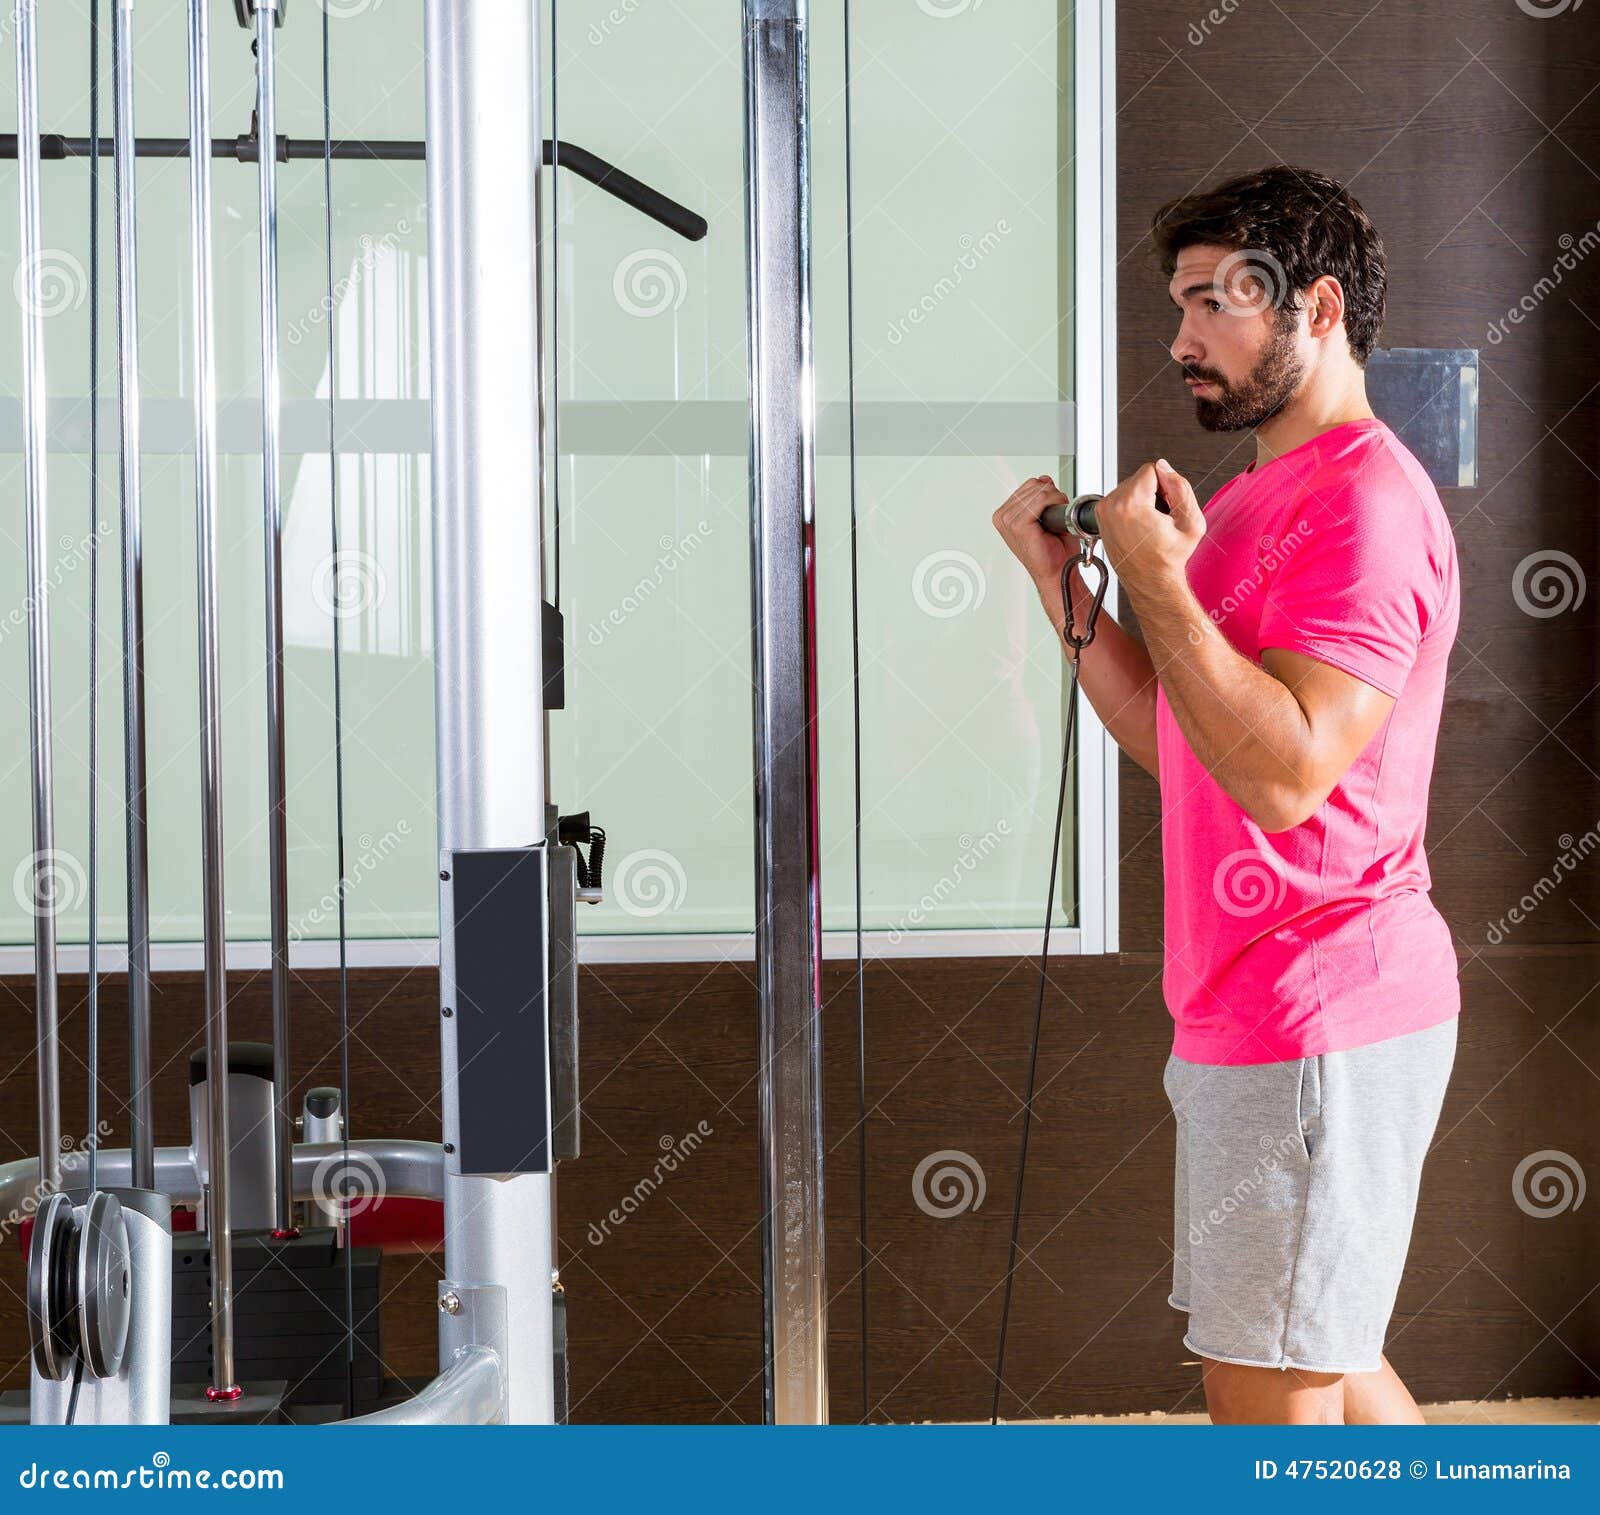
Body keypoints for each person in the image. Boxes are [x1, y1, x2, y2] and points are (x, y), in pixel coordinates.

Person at [992, 166, 1461, 1426]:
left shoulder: (1362, 505)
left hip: (1325, 1009)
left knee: (1266, 1384)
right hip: (1254, 1003)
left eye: (1213, 302)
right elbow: (1179, 733)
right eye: (1175, 304)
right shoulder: (1257, 500)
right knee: (1328, 1355)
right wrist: (1074, 592)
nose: (1180, 338)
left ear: (1313, 308)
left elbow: (1285, 768)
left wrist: (1158, 583)